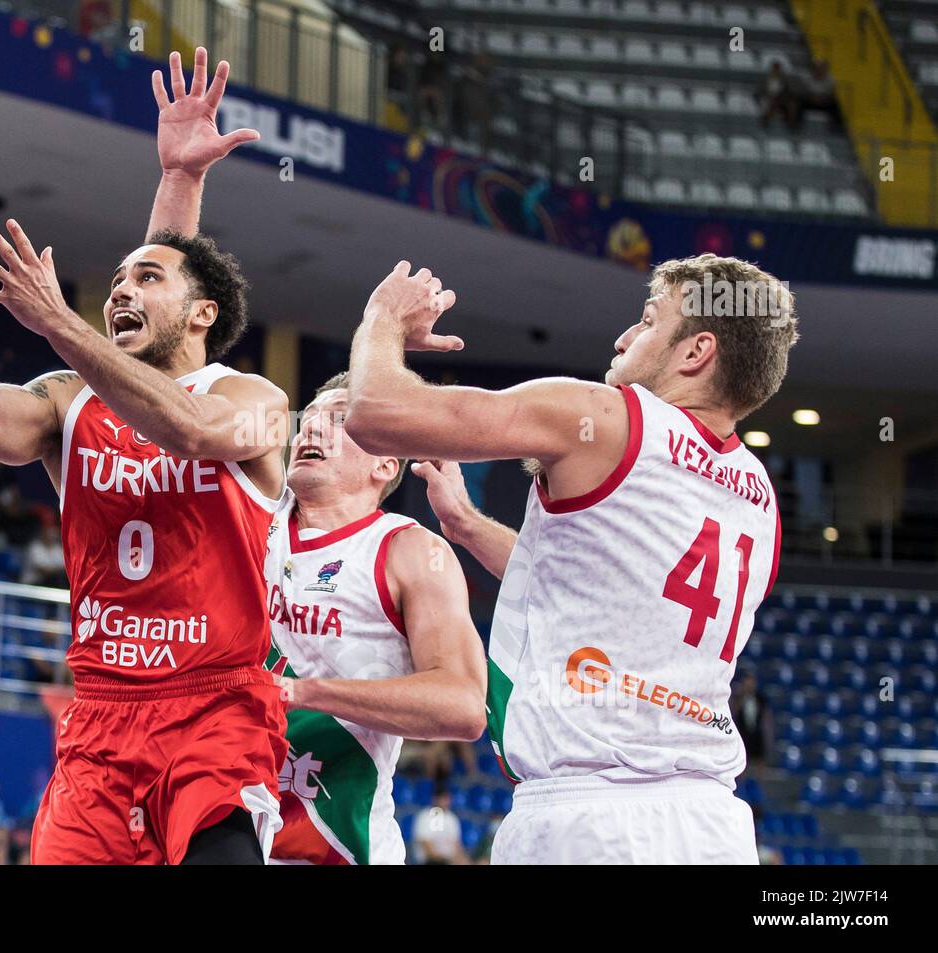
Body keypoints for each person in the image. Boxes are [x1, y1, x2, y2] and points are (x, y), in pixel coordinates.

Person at [0, 48, 289, 865]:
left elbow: (190, 431)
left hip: (216, 710)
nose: (120, 292)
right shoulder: (68, 399)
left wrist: (59, 319)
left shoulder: (253, 400)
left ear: (204, 313)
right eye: (114, 281)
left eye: (145, 278)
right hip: (99, 719)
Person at [347, 252, 797, 864]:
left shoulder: (607, 416)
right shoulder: (759, 495)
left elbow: (375, 413)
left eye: (646, 320)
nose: (623, 337)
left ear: (695, 353)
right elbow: (607, 586)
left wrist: (383, 319)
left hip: (592, 819)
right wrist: (470, 526)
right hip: (713, 824)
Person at [263, 372, 486, 865]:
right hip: (222, 825)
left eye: (338, 420)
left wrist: (301, 693)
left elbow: (464, 706)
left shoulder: (410, 551)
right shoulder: (250, 517)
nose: (312, 430)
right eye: (310, 419)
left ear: (385, 463)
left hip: (340, 842)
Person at [410, 786, 467, 865]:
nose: (445, 801)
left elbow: (457, 846)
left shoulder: (452, 818)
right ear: (434, 799)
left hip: (450, 861)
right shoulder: (424, 816)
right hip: (429, 861)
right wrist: (447, 861)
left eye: (447, 798)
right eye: (442, 798)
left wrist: (463, 861)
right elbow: (427, 848)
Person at [23, 523, 65, 587]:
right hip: (32, 583)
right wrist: (57, 570)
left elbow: (65, 568)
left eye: (54, 533)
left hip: (52, 582)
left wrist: (54, 570)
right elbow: (42, 570)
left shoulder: (58, 548)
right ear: (43, 534)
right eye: (49, 533)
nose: (52, 536)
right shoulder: (35, 547)